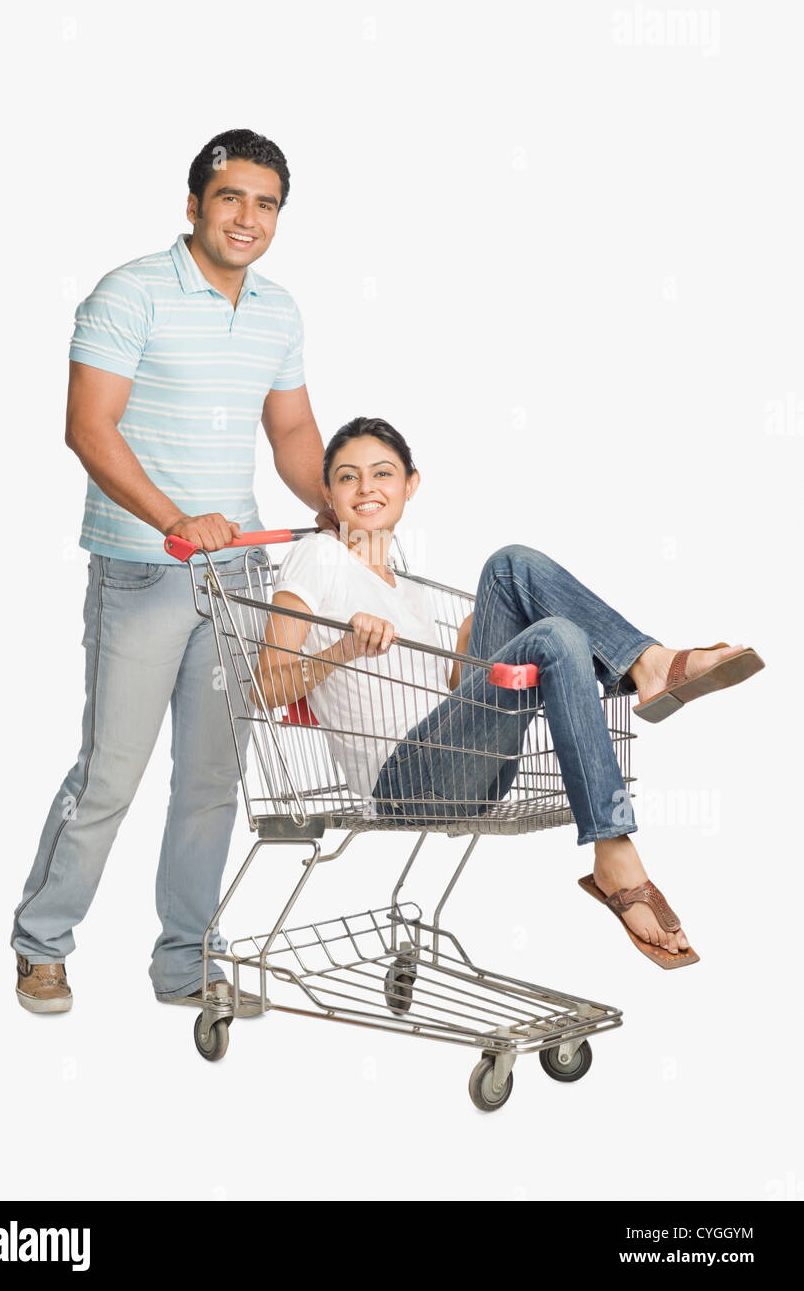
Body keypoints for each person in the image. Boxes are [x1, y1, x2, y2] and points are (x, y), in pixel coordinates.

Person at [11, 128, 336, 1013]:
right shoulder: (130, 294)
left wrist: (333, 497)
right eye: (230, 197)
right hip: (143, 570)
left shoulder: (277, 310)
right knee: (109, 775)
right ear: (193, 204)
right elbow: (89, 427)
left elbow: (294, 433)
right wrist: (172, 522)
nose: (247, 218)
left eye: (265, 204)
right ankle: (42, 943)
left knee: (208, 781)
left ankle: (185, 960)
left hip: (237, 581)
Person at [254, 416, 764, 970]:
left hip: (457, 762)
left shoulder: (406, 583)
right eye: (348, 478)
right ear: (327, 493)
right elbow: (265, 687)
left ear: (411, 485)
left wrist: (475, 648)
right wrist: (343, 651)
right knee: (557, 638)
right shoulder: (318, 557)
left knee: (509, 566)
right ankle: (616, 843)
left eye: (383, 473)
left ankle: (651, 662)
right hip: (403, 781)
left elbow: (440, 698)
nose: (366, 488)